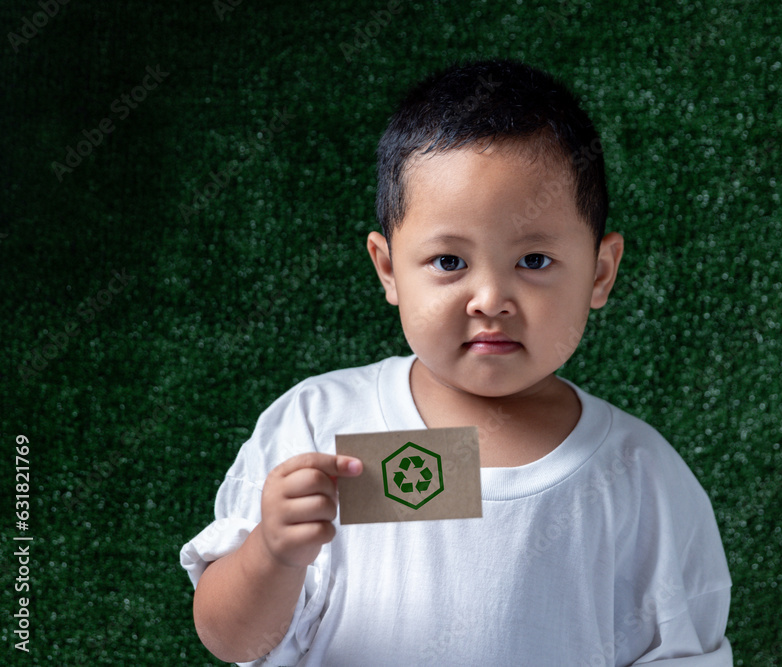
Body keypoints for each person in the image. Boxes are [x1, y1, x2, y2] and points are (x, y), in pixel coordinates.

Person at [181, 58, 732, 666]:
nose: (491, 299)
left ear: (600, 272)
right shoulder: (319, 425)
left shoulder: (641, 476)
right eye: (449, 262)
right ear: (388, 268)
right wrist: (273, 554)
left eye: (535, 261)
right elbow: (231, 639)